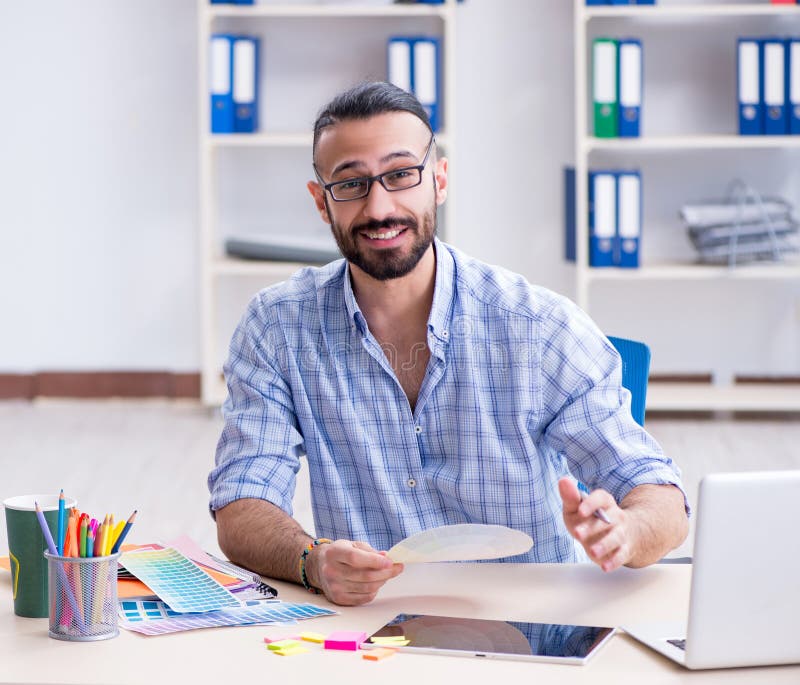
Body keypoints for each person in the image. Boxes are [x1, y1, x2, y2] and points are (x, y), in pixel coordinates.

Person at [208, 81, 689, 607]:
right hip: (371, 625)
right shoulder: (277, 327)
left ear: (438, 180)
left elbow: (658, 495)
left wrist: (627, 531)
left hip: (530, 622)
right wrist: (310, 560)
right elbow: (242, 500)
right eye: (351, 184)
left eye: (400, 174)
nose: (378, 207)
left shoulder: (538, 325)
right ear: (322, 202)